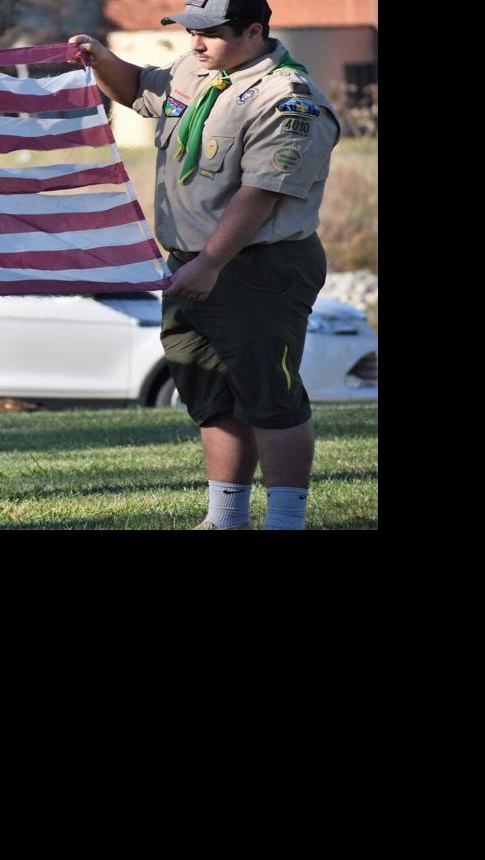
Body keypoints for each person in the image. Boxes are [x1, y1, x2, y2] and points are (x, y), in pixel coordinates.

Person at [71, 0, 340, 530]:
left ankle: (286, 520)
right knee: (210, 394)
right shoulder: (197, 70)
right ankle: (225, 518)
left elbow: (259, 195)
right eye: (190, 32)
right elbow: (138, 91)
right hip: (191, 262)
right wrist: (101, 60)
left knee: (269, 395)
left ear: (253, 32)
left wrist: (211, 264)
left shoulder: (286, 99)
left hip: (258, 266)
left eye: (209, 34)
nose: (194, 43)